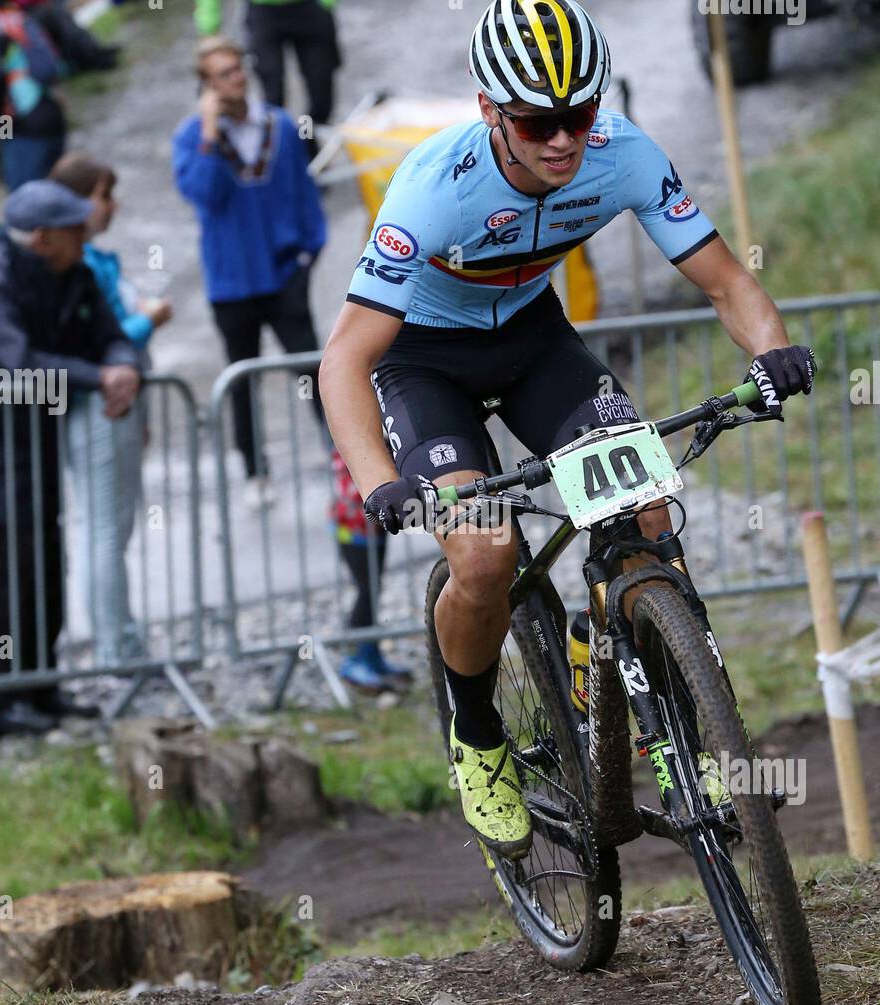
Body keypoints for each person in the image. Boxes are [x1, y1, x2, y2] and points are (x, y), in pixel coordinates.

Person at [319, 0, 816, 859]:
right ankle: (478, 741)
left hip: (534, 341)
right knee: (483, 553)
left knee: (648, 512)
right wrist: (379, 483)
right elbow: (344, 358)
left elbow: (727, 281)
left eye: (578, 116)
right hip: (424, 363)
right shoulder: (431, 191)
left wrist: (771, 354)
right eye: (538, 122)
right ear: (489, 113)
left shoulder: (620, 153)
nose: (562, 140)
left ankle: (657, 710)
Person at [0, 181, 141, 737]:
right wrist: (99, 375)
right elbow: (18, 362)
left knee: (48, 566)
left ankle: (43, 687)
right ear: (45, 238)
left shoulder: (71, 275)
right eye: (75, 227)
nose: (87, 232)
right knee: (7, 577)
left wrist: (121, 365)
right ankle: (2, 702)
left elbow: (111, 334)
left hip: (36, 442)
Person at [173, 37, 327, 509]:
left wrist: (306, 256)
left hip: (282, 276)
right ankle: (254, 471)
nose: (235, 78)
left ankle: (342, 454)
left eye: (237, 68)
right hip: (231, 283)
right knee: (241, 379)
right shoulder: (192, 139)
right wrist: (208, 133)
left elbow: (306, 199)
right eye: (222, 74)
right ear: (206, 87)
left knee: (315, 369)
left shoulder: (279, 124)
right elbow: (205, 195)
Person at [49, 152, 173, 664]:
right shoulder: (81, 267)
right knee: (105, 526)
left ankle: (118, 635)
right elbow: (104, 338)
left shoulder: (94, 261)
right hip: (99, 405)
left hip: (115, 404)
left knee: (112, 526)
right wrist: (150, 321)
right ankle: (113, 648)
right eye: (104, 195)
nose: (113, 205)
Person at [329, 449, 412, 694]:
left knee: (374, 589)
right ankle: (354, 660)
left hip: (374, 529)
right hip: (353, 530)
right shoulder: (351, 441)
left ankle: (372, 655)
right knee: (366, 591)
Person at [0, 0, 69, 190]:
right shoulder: (19, 19)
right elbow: (51, 68)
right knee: (58, 187)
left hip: (14, 118)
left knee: (21, 190)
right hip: (49, 109)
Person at [243, 0, 341, 160]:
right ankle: (283, 159)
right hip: (263, 13)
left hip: (310, 9)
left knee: (320, 99)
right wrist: (210, 26)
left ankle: (307, 143)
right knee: (273, 100)